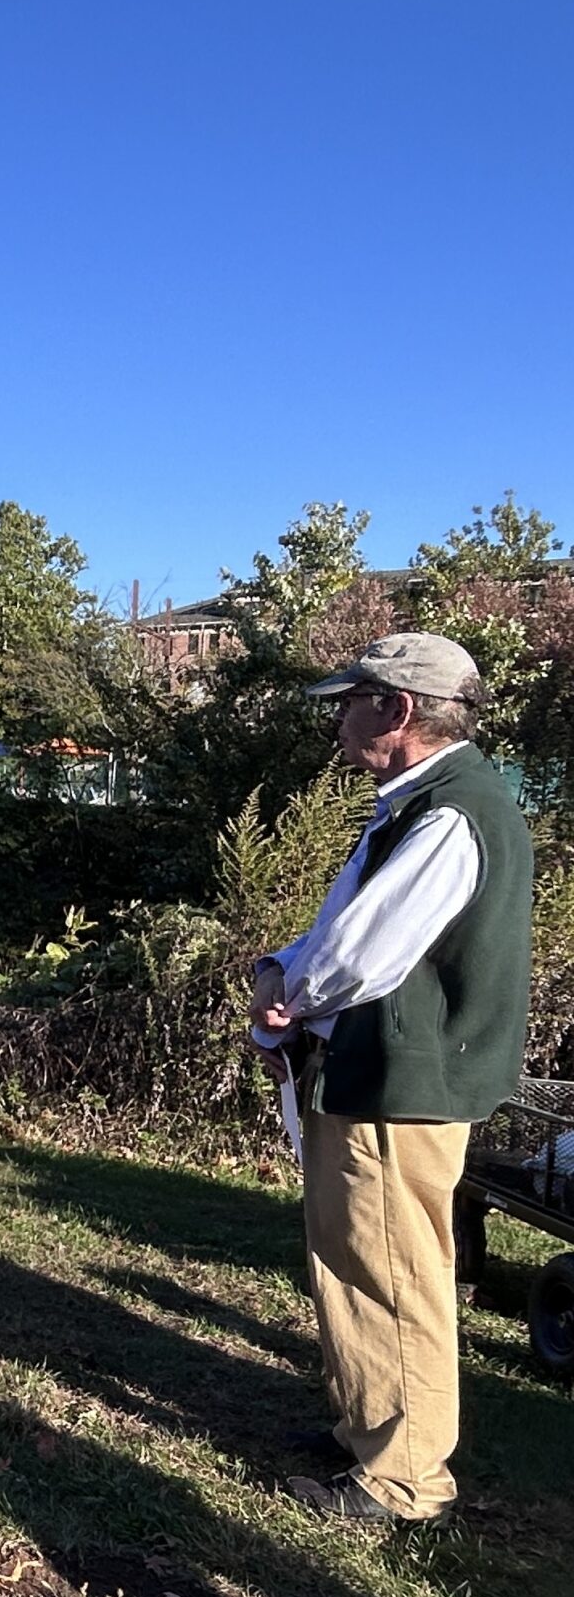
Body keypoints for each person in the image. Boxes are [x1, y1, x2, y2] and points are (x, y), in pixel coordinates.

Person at [249, 633, 532, 1526]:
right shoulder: (419, 803)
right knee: (355, 1256)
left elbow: (361, 954)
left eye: (351, 701)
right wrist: (279, 967)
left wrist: (287, 994)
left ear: (398, 711)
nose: (340, 720)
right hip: (380, 1076)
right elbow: (346, 926)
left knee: (394, 1272)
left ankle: (403, 1477)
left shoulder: (451, 812)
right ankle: (367, 1431)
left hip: (400, 1087)